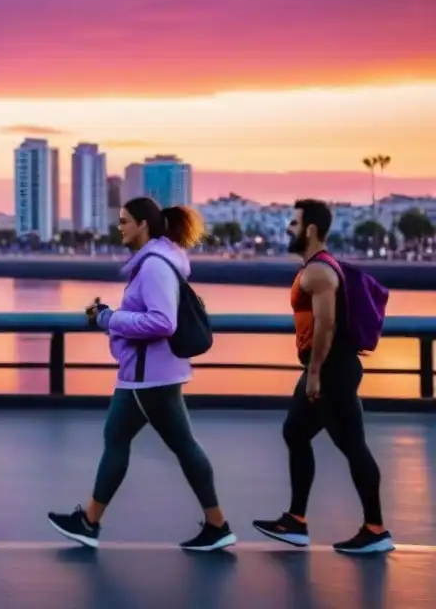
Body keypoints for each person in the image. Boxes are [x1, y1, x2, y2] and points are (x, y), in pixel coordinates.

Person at [47, 197, 235, 551]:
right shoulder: (155, 262)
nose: (119, 227)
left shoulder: (154, 266)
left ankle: (217, 524)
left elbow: (163, 321)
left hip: (151, 374)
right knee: (120, 438)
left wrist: (108, 318)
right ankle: (90, 520)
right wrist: (110, 315)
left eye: (124, 221)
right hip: (145, 371)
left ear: (143, 225)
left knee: (177, 445)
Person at [252, 199, 394, 554]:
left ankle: (375, 529)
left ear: (311, 229)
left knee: (352, 445)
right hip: (327, 367)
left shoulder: (318, 272)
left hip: (332, 369)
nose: (288, 229)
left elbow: (326, 325)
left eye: (293, 223)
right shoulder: (317, 268)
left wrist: (314, 373)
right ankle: (296, 520)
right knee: (295, 432)